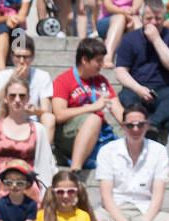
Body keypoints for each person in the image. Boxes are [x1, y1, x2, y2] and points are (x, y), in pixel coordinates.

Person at [94, 102, 169, 221]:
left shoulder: (158, 151)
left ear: (147, 125)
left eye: (140, 125)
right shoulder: (107, 151)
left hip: (146, 211)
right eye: (130, 125)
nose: (135, 129)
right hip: (115, 210)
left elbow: (158, 196)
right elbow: (106, 197)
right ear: (123, 126)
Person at [0, 75, 53, 216]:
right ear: (5, 98)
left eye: (22, 96)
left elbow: (44, 165)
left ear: (28, 98)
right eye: (12, 96)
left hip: (26, 182)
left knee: (32, 192)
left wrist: (46, 194)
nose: (17, 100)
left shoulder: (38, 129)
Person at [50, 36, 121, 172]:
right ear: (84, 60)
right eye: (98, 61)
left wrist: (134, 123)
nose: (102, 65)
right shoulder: (63, 80)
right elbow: (59, 115)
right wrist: (92, 108)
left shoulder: (101, 81)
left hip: (100, 134)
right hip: (69, 134)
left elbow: (118, 110)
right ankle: (75, 171)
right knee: (94, 119)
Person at [113, 0, 169, 136]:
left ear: (164, 18)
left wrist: (156, 39)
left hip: (163, 90)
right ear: (142, 18)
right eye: (149, 18)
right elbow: (120, 72)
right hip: (136, 88)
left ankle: (152, 125)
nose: (154, 22)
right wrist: (138, 89)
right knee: (126, 97)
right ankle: (139, 123)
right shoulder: (129, 39)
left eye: (158, 18)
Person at [0, 32, 53, 142]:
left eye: (26, 57)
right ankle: (2, 140)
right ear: (12, 57)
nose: (21, 61)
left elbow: (46, 110)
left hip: (31, 119)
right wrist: (11, 80)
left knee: (49, 118)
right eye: (18, 56)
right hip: (6, 118)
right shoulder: (4, 75)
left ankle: (45, 155)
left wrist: (35, 110)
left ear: (32, 57)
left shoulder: (42, 76)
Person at [0, 0, 30, 72]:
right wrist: (8, 18)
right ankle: (1, 71)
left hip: (14, 28)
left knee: (19, 31)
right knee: (3, 28)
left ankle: (21, 68)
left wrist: (13, 20)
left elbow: (22, 17)